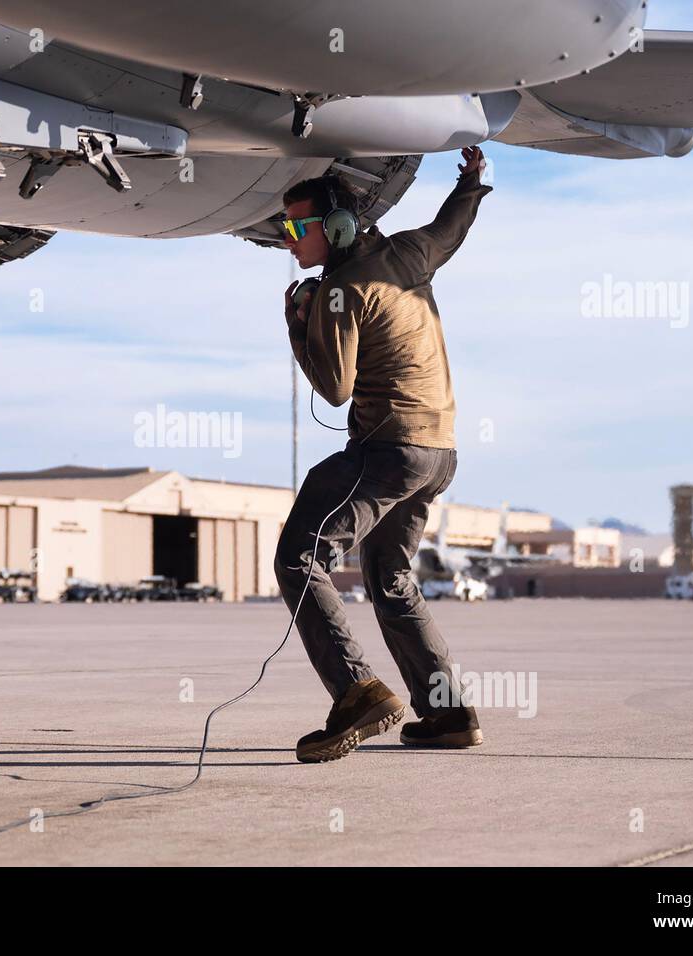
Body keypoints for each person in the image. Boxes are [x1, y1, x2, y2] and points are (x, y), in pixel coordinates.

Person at [277, 146, 492, 763]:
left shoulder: (341, 289)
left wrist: (299, 321)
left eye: (297, 228)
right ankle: (448, 713)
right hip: (438, 455)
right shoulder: (407, 254)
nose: (288, 241)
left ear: (337, 228)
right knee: (388, 576)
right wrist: (471, 183)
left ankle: (357, 693)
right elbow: (451, 229)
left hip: (389, 449)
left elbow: (335, 386)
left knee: (299, 556)